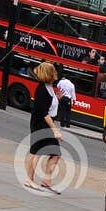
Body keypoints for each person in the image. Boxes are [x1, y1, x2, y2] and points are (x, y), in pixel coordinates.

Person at [25, 61, 64, 193]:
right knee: (35, 151)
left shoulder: (49, 87)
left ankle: (46, 180)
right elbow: (43, 113)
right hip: (40, 124)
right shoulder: (41, 89)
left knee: (56, 153)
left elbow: (49, 106)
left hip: (47, 123)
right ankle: (29, 179)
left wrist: (57, 99)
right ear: (48, 73)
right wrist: (55, 130)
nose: (56, 73)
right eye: (54, 71)